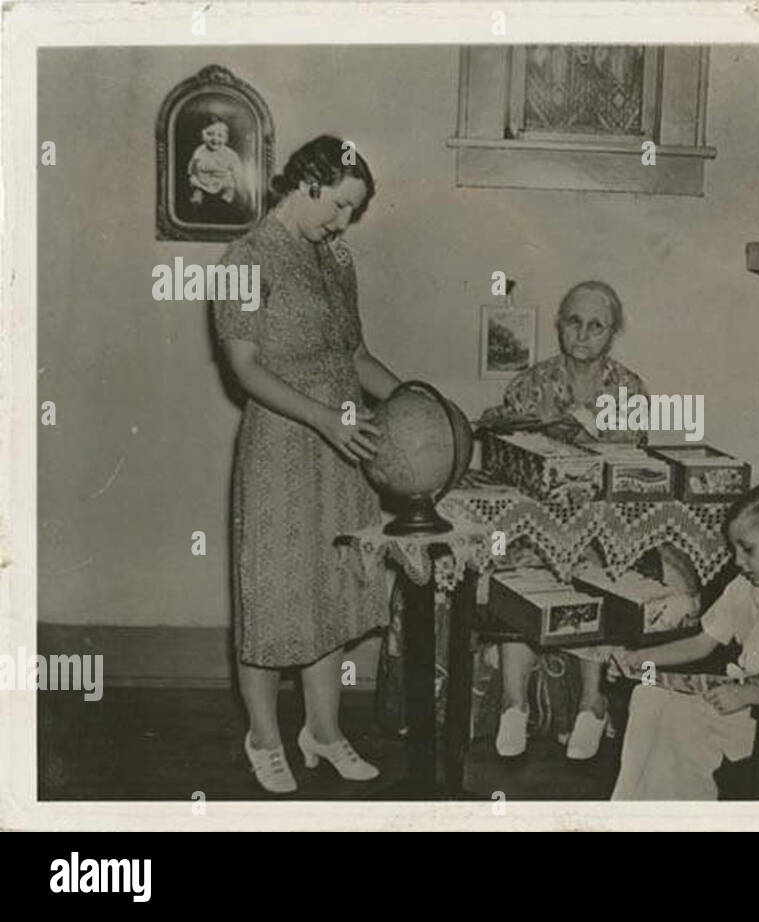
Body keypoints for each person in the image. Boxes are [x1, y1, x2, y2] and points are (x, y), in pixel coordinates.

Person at [211, 135, 402, 794]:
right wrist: (323, 418)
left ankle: (323, 731)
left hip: (342, 451)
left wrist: (413, 403)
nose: (343, 223)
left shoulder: (337, 258)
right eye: (341, 206)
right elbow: (243, 370)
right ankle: (264, 736)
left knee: (332, 593)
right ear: (309, 181)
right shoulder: (245, 258)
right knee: (271, 598)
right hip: (282, 450)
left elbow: (355, 356)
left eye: (353, 212)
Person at [482, 281, 694, 761]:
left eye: (596, 325)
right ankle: (513, 705)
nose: (582, 333)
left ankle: (591, 704)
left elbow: (631, 470)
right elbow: (507, 463)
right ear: (559, 323)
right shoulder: (529, 383)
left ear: (613, 332)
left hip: (601, 520)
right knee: (518, 564)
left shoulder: (629, 388)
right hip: (536, 519)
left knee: (597, 567)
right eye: (573, 322)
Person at [610, 482, 759, 800]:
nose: (738, 561)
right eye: (735, 550)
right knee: (647, 696)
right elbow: (701, 643)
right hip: (742, 703)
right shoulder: (745, 587)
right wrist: (638, 658)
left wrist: (749, 694)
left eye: (747, 549)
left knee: (684, 721)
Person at [188, 117, 244, 223]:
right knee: (196, 189)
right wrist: (193, 177)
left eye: (220, 135)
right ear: (202, 135)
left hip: (223, 181)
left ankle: (225, 201)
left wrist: (239, 185)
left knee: (229, 189)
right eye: (210, 134)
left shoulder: (230, 154)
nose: (215, 139)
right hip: (204, 180)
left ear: (226, 138)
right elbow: (193, 166)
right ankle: (198, 199)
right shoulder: (199, 151)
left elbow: (238, 171)